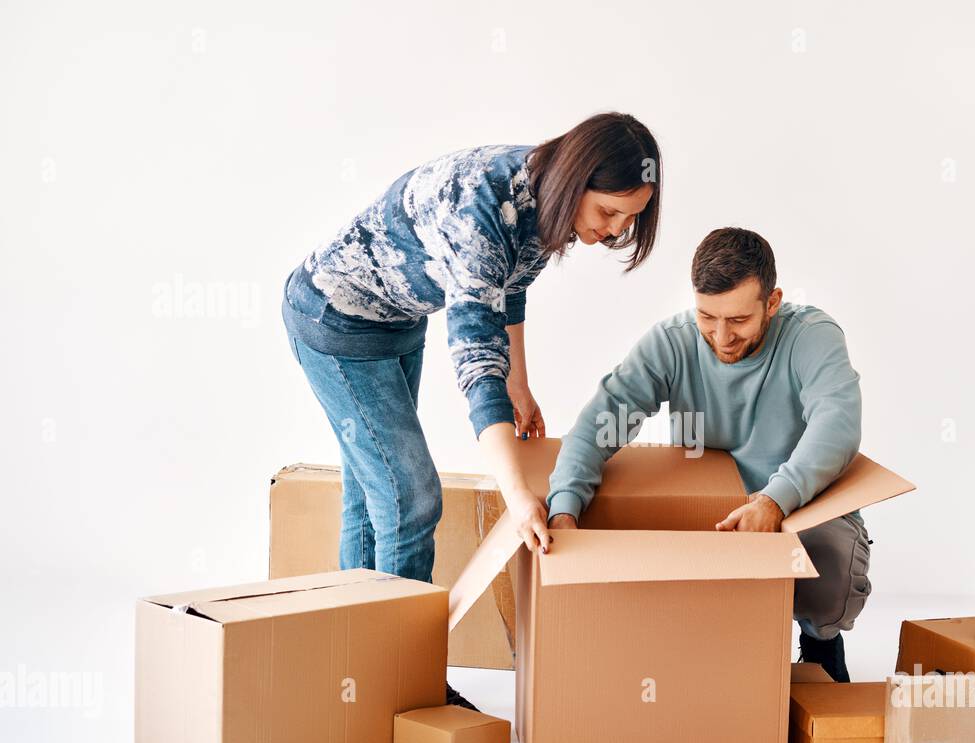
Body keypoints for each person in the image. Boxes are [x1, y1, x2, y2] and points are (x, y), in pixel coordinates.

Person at [283, 113, 662, 708]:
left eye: (630, 218)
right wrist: (515, 492)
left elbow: (506, 293)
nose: (616, 231)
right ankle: (404, 685)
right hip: (334, 320)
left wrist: (521, 384)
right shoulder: (484, 205)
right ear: (576, 180)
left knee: (371, 490)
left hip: (398, 322)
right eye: (609, 212)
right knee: (410, 498)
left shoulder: (547, 201)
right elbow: (475, 360)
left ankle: (354, 668)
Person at [546, 227, 869, 681]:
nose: (721, 337)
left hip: (796, 506)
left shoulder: (812, 336)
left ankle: (819, 640)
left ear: (772, 303)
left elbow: (836, 425)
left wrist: (773, 501)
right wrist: (564, 509)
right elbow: (601, 421)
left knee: (834, 555)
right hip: (709, 514)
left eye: (738, 320)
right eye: (706, 317)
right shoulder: (673, 343)